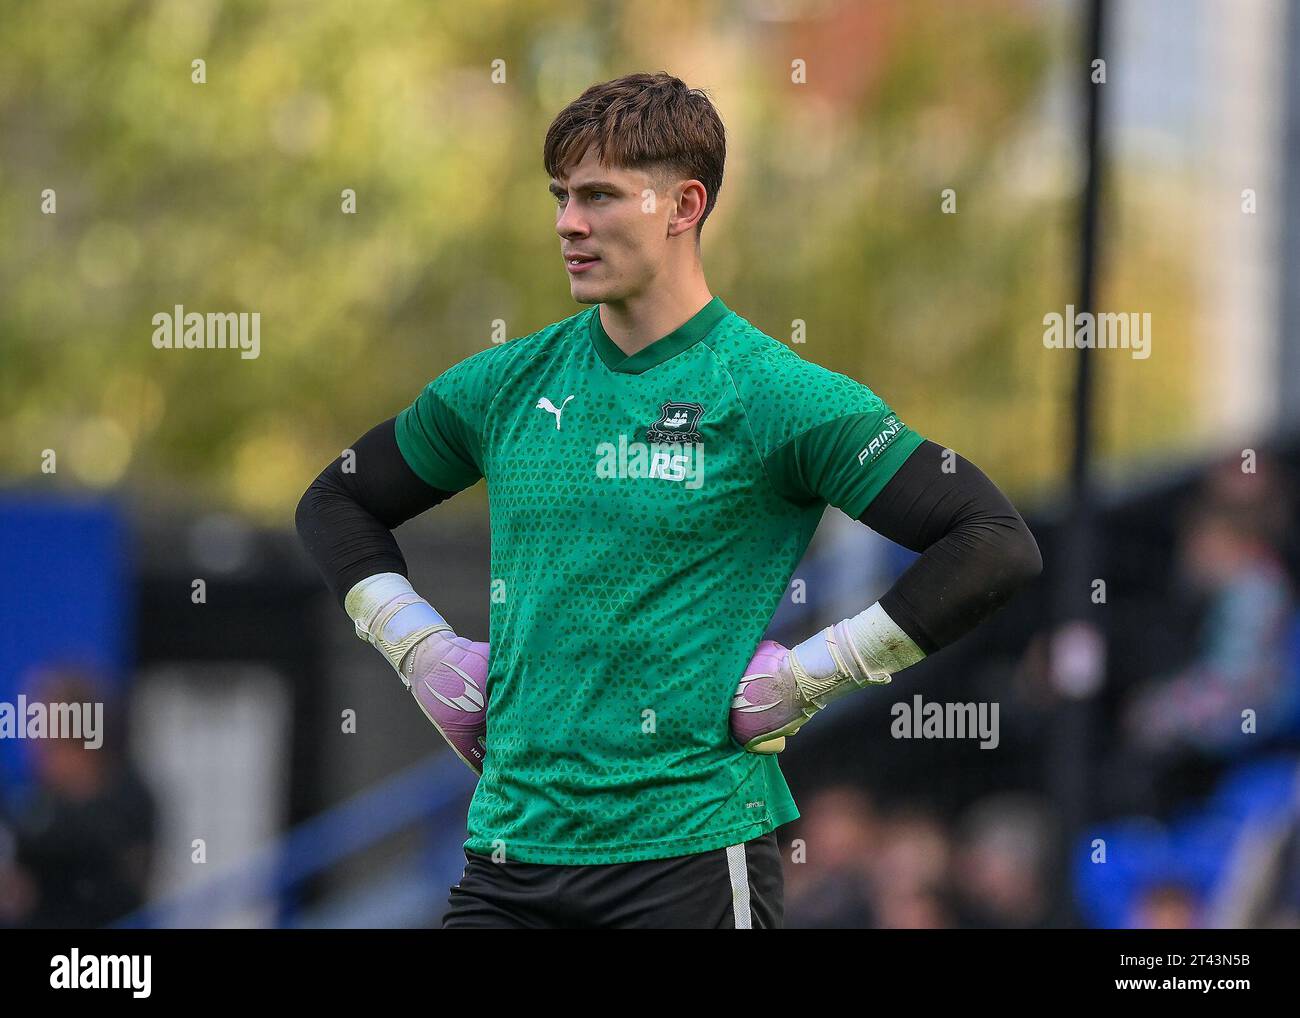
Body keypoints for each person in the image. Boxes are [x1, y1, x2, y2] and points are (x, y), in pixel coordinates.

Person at [296, 71, 1041, 929]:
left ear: (684, 205)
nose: (568, 223)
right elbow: (335, 503)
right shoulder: (505, 384)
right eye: (562, 196)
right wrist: (419, 649)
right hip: (507, 857)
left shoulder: (775, 395)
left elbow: (991, 539)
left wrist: (811, 676)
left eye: (600, 197)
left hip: (686, 859)